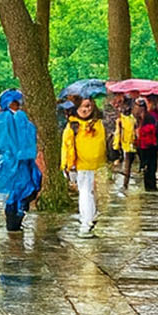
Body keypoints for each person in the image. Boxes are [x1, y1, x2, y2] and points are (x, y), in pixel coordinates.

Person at [0, 89, 42, 232]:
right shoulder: (18, 118)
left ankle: (14, 220)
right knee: (22, 189)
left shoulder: (3, 119)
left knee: (16, 190)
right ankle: (16, 218)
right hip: (21, 162)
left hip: (12, 161)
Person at [61, 96, 109, 238]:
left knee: (92, 193)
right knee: (85, 192)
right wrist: (66, 165)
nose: (85, 109)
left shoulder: (98, 124)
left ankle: (90, 218)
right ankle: (86, 223)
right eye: (82, 106)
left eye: (88, 106)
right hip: (80, 165)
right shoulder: (72, 126)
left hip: (98, 165)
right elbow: (66, 147)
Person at [134, 98, 158, 192]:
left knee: (151, 167)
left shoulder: (149, 117)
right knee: (145, 167)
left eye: (139, 107)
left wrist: (140, 131)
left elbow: (152, 129)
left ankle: (152, 186)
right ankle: (148, 186)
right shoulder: (137, 119)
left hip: (150, 145)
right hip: (141, 146)